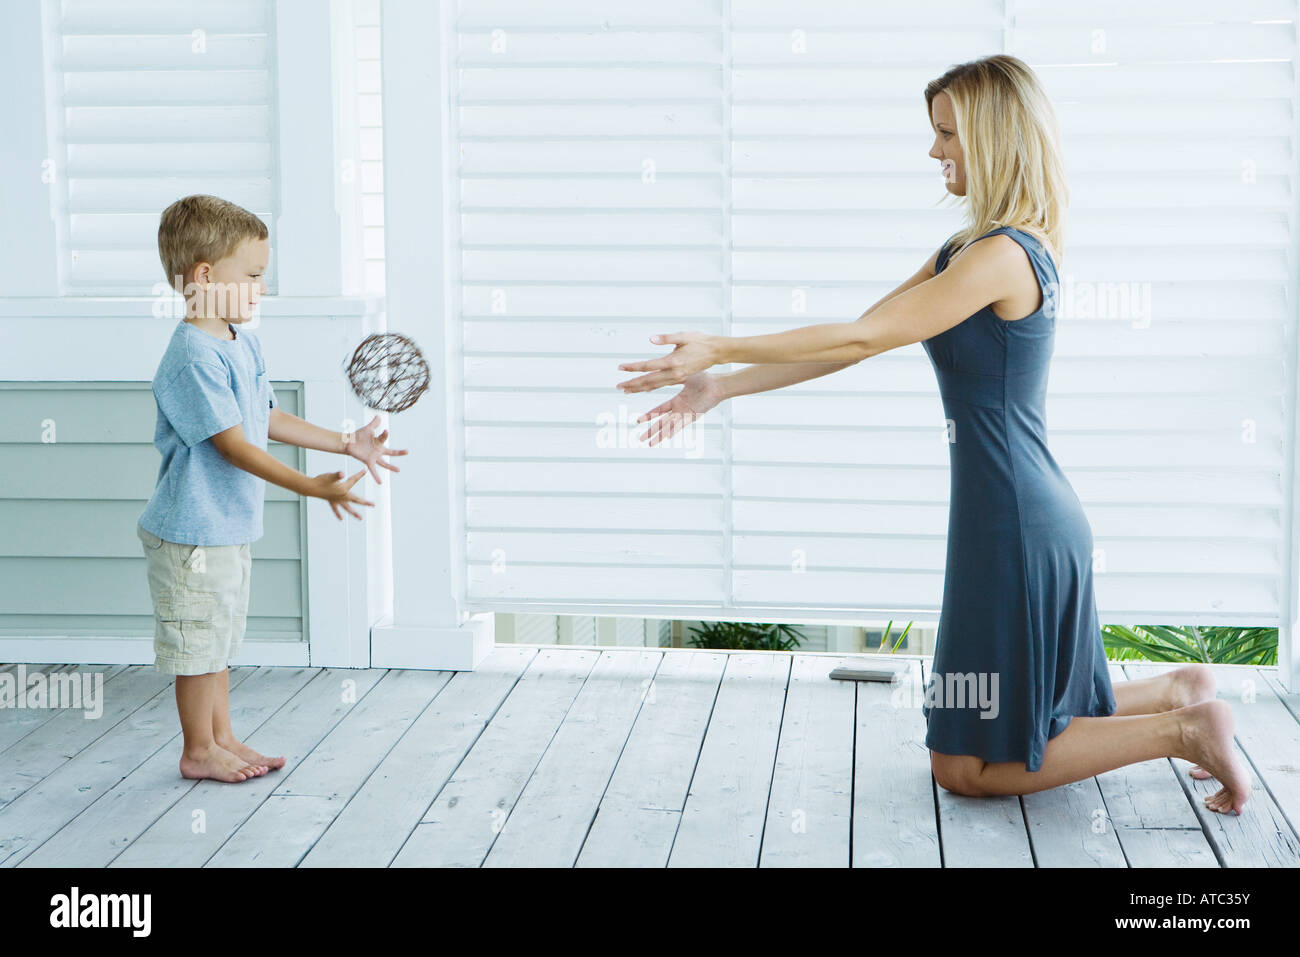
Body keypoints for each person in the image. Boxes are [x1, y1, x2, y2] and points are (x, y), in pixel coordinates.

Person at [614, 55, 1248, 815]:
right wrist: (722, 384)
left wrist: (721, 343)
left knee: (965, 765)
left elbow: (857, 339)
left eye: (947, 132)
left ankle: (1184, 729)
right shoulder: (967, 250)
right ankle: (1179, 690)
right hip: (1010, 516)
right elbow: (857, 338)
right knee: (1005, 723)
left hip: (1013, 523)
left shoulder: (1002, 256)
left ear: (992, 138)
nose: (934, 150)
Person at [137, 194, 407, 783]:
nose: (262, 288)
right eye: (254, 275)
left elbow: (266, 418)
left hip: (226, 527)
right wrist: (311, 487)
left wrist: (345, 443)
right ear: (206, 276)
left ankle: (223, 736)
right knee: (198, 646)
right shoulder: (191, 357)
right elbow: (233, 445)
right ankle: (196, 750)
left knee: (220, 640)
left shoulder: (240, 339)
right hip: (191, 535)